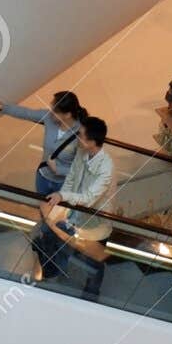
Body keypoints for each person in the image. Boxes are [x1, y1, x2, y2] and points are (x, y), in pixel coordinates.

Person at [32, 117, 115, 299]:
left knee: (92, 263)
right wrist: (60, 204)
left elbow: (88, 199)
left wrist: (62, 197)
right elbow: (70, 180)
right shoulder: (82, 152)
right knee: (47, 235)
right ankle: (54, 275)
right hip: (75, 215)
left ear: (92, 141)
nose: (77, 137)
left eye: (81, 135)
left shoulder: (106, 167)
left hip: (95, 223)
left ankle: (91, 296)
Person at [0, 90, 86, 197]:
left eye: (55, 110)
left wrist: (58, 170)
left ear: (67, 115)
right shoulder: (49, 117)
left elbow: (82, 168)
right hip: (43, 177)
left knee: (57, 213)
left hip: (65, 184)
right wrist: (2, 107)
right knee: (41, 207)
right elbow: (26, 113)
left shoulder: (82, 133)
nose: (51, 112)